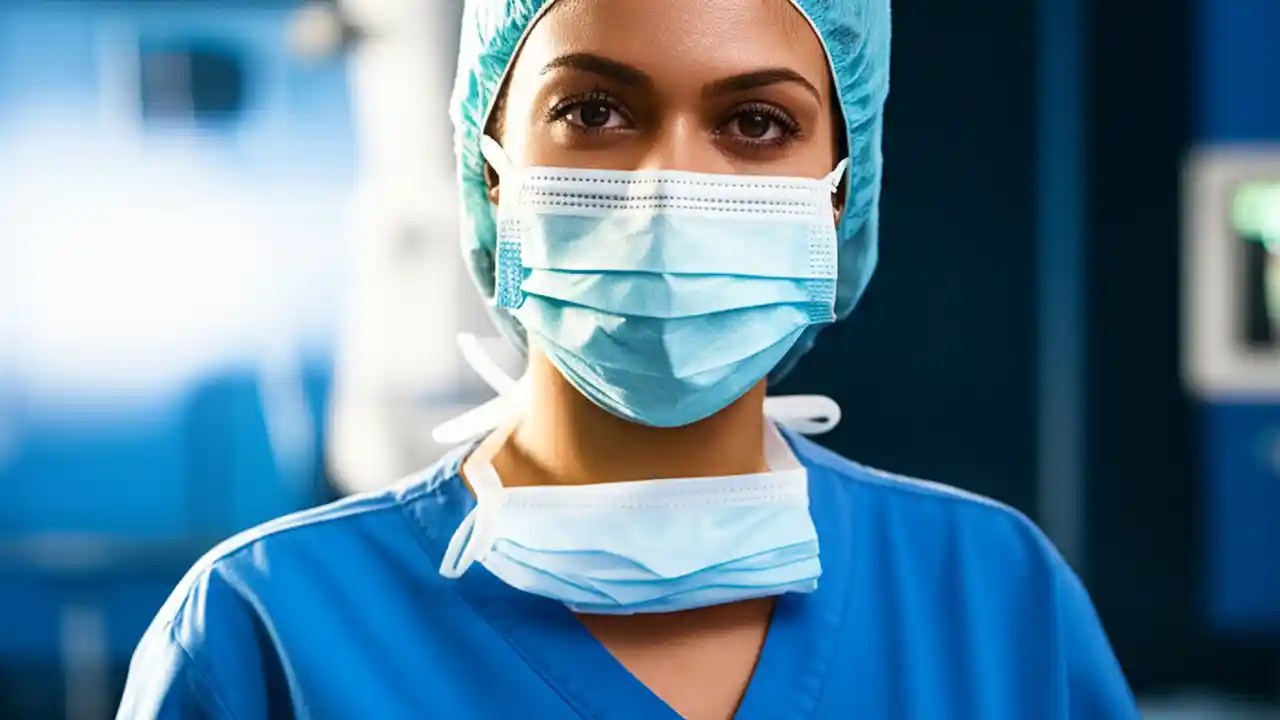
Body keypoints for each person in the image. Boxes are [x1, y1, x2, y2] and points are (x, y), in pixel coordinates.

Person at [117, 0, 1139, 718]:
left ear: (837, 191)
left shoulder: (990, 603)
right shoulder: (271, 633)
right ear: (491, 171)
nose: (667, 191)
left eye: (754, 122)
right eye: (595, 112)